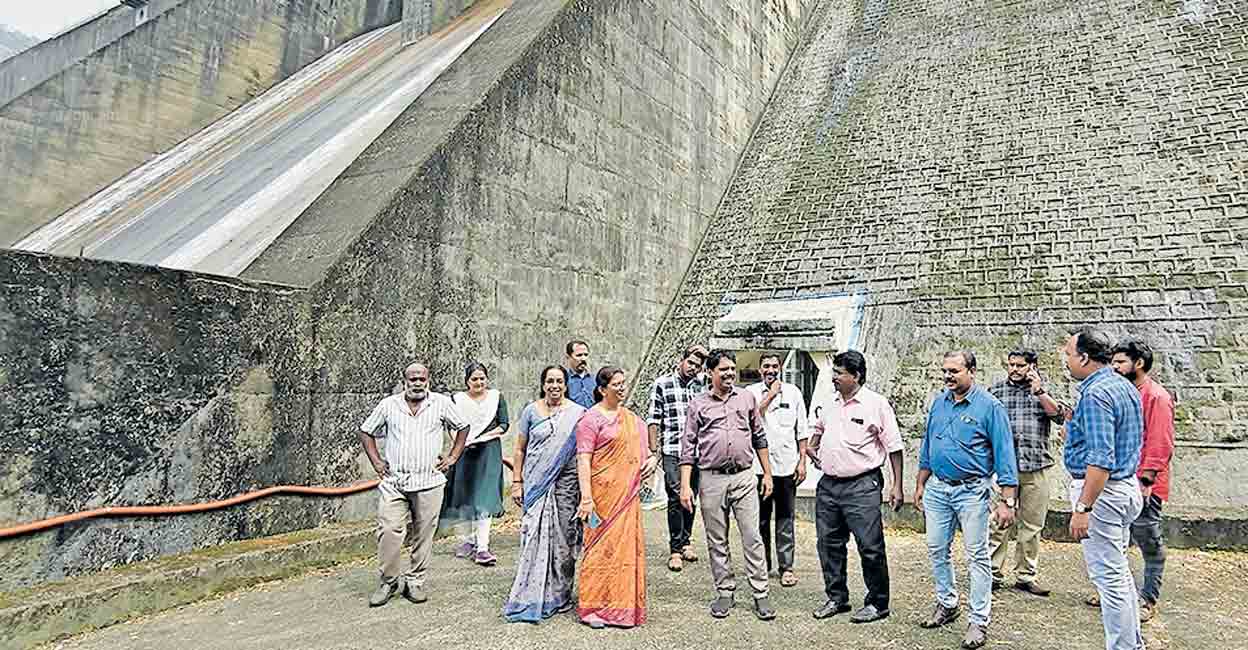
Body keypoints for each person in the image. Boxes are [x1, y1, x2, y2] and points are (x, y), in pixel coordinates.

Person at [914, 351, 1018, 650]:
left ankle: (979, 619)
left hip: (972, 491)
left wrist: (1007, 501)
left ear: (971, 371)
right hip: (938, 489)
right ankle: (947, 603)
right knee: (936, 548)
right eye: (945, 371)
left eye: (954, 371)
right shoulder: (939, 403)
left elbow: (1004, 455)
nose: (948, 376)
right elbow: (928, 445)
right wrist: (921, 483)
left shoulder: (990, 407)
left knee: (977, 555)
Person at [358, 362, 470, 607]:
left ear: (428, 380)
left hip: (429, 481)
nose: (417, 383)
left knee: (423, 534)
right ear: (404, 381)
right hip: (395, 482)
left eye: (421, 379)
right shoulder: (389, 405)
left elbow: (462, 427)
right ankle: (389, 581)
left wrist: (452, 457)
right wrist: (377, 461)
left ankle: (415, 581)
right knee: (389, 530)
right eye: (413, 379)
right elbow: (366, 431)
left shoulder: (440, 403)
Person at [1063, 327, 1145, 650]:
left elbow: (1100, 460)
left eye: (1069, 355)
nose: (1066, 361)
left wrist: (1083, 508)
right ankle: (1132, 642)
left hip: (1103, 494)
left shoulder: (1096, 394)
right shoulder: (1123, 387)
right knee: (1120, 574)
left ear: (1084, 357)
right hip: (1124, 488)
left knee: (1109, 581)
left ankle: (1124, 646)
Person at [807, 350, 903, 624]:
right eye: (833, 372)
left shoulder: (876, 404)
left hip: (862, 485)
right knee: (828, 544)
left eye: (839, 373)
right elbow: (819, 431)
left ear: (856, 376)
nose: (833, 377)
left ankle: (877, 603)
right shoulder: (830, 403)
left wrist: (897, 486)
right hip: (828, 486)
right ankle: (837, 598)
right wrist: (813, 448)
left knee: (870, 547)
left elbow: (894, 447)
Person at [680, 349, 776, 621]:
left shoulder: (747, 398)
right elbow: (688, 447)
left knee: (752, 536)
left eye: (732, 369)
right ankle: (725, 591)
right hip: (710, 478)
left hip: (744, 476)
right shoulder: (698, 404)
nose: (730, 373)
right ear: (710, 373)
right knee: (716, 538)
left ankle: (761, 594)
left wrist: (767, 474)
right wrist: (686, 486)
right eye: (723, 369)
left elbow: (759, 437)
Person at [502, 366, 588, 623]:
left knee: (564, 540)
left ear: (565, 384)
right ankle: (529, 595)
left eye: (559, 381)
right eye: (550, 381)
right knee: (533, 537)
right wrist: (517, 482)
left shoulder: (577, 414)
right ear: (543, 384)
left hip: (567, 486)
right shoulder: (530, 411)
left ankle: (560, 595)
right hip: (536, 484)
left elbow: (583, 453)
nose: (554, 386)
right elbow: (519, 450)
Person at [574, 366, 655, 628]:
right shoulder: (591, 419)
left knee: (624, 551)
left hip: (626, 497)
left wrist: (652, 461)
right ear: (602, 389)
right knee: (598, 550)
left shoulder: (632, 419)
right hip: (600, 497)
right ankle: (593, 608)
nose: (622, 387)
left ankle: (622, 608)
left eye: (623, 383)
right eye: (616, 384)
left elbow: (647, 453)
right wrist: (586, 498)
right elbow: (583, 460)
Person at [988, 349, 1065, 596]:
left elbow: (1061, 417)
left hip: (1036, 466)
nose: (1014, 369)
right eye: (1011, 364)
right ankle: (992, 573)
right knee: (998, 523)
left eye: (1020, 365)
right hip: (1003, 467)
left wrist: (1040, 391)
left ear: (1032, 366)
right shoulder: (996, 392)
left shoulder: (1043, 391)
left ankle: (1025, 575)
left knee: (1032, 525)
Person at [1108, 338, 1175, 623]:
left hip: (1144, 484)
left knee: (1149, 542)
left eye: (1120, 362)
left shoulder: (1157, 397)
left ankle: (1147, 598)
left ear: (1139, 364)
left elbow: (1161, 443)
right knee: (1116, 539)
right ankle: (1116, 592)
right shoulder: (1122, 392)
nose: (1114, 367)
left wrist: (1145, 481)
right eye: (1113, 361)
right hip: (1118, 480)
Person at [746, 352, 809, 588]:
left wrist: (802, 461)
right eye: (766, 366)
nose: (770, 370)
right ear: (760, 369)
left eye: (774, 365)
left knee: (785, 518)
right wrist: (770, 396)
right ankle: (762, 565)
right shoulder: (750, 393)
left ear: (780, 367)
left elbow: (801, 429)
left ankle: (786, 567)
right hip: (759, 468)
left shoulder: (793, 392)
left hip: (785, 466)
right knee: (760, 519)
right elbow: (750, 419)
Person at [440, 362, 509, 566]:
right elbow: (450, 425)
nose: (479, 382)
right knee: (465, 494)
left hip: (488, 452)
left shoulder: (496, 397)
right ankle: (467, 540)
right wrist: (460, 442)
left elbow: (504, 424)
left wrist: (483, 437)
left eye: (482, 378)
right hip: (464, 451)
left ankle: (483, 547)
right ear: (467, 381)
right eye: (474, 379)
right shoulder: (457, 400)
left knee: (484, 498)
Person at [646, 344, 708, 572]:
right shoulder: (662, 384)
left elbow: (717, 369)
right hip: (672, 450)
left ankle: (686, 541)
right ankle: (674, 549)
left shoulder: (702, 385)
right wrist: (653, 452)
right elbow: (653, 420)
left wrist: (707, 357)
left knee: (691, 496)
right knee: (675, 496)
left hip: (697, 451)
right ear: (681, 360)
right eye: (690, 362)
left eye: (697, 365)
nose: (693, 368)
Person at [565, 340, 595, 408]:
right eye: (579, 355)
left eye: (586, 355)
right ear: (568, 357)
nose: (583, 358)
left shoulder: (595, 379)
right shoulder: (564, 381)